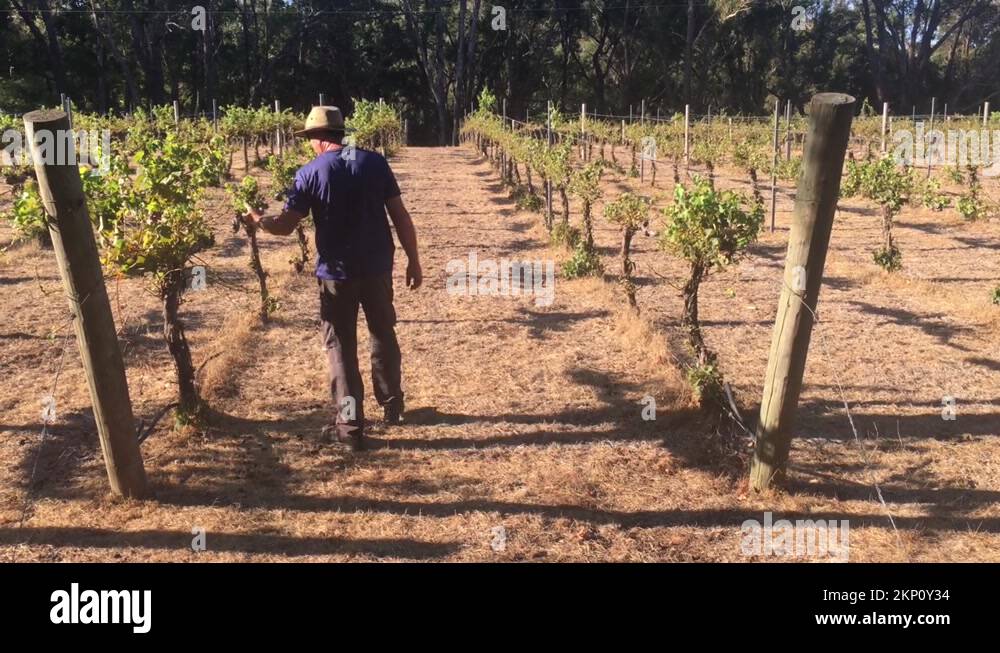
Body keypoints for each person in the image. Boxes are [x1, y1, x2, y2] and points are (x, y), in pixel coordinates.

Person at [243, 105, 422, 451]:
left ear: (316, 138)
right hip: (377, 268)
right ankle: (392, 404)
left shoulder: (310, 172)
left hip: (336, 275)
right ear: (341, 133)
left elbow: (284, 226)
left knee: (341, 347)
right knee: (382, 333)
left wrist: (258, 219)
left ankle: (351, 426)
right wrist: (414, 260)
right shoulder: (374, 162)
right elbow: (400, 215)